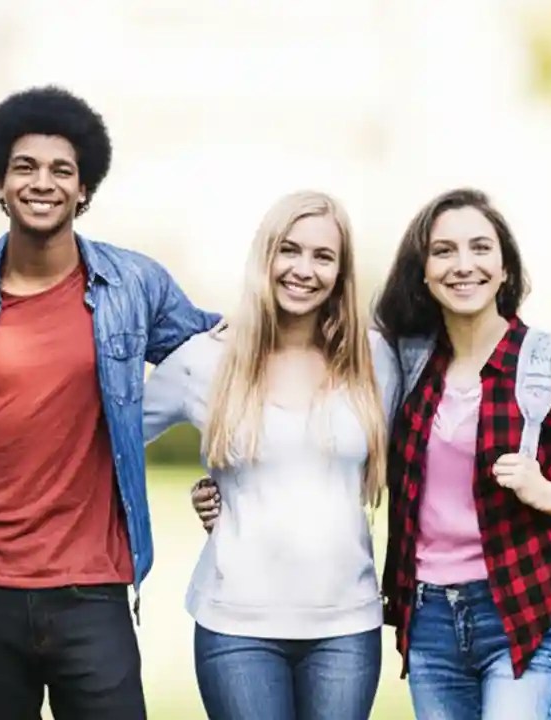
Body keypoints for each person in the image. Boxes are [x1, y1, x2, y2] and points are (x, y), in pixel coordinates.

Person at [0, 85, 218, 719]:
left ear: (84, 188)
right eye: (25, 168)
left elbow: (221, 360)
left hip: (93, 585)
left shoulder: (134, 284)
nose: (43, 183)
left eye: (62, 170)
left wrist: (241, 477)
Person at [142, 191, 387, 720]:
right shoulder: (205, 359)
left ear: (342, 272)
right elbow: (107, 438)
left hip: (345, 628)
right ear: (265, 256)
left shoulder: (375, 361)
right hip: (237, 628)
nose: (303, 269)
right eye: (289, 250)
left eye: (323, 256)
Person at [376, 188, 551, 720]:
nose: (464, 265)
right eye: (444, 251)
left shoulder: (550, 363)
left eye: (480, 248)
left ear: (504, 268)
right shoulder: (409, 365)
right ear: (424, 272)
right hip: (428, 618)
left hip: (522, 610)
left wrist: (547, 494)